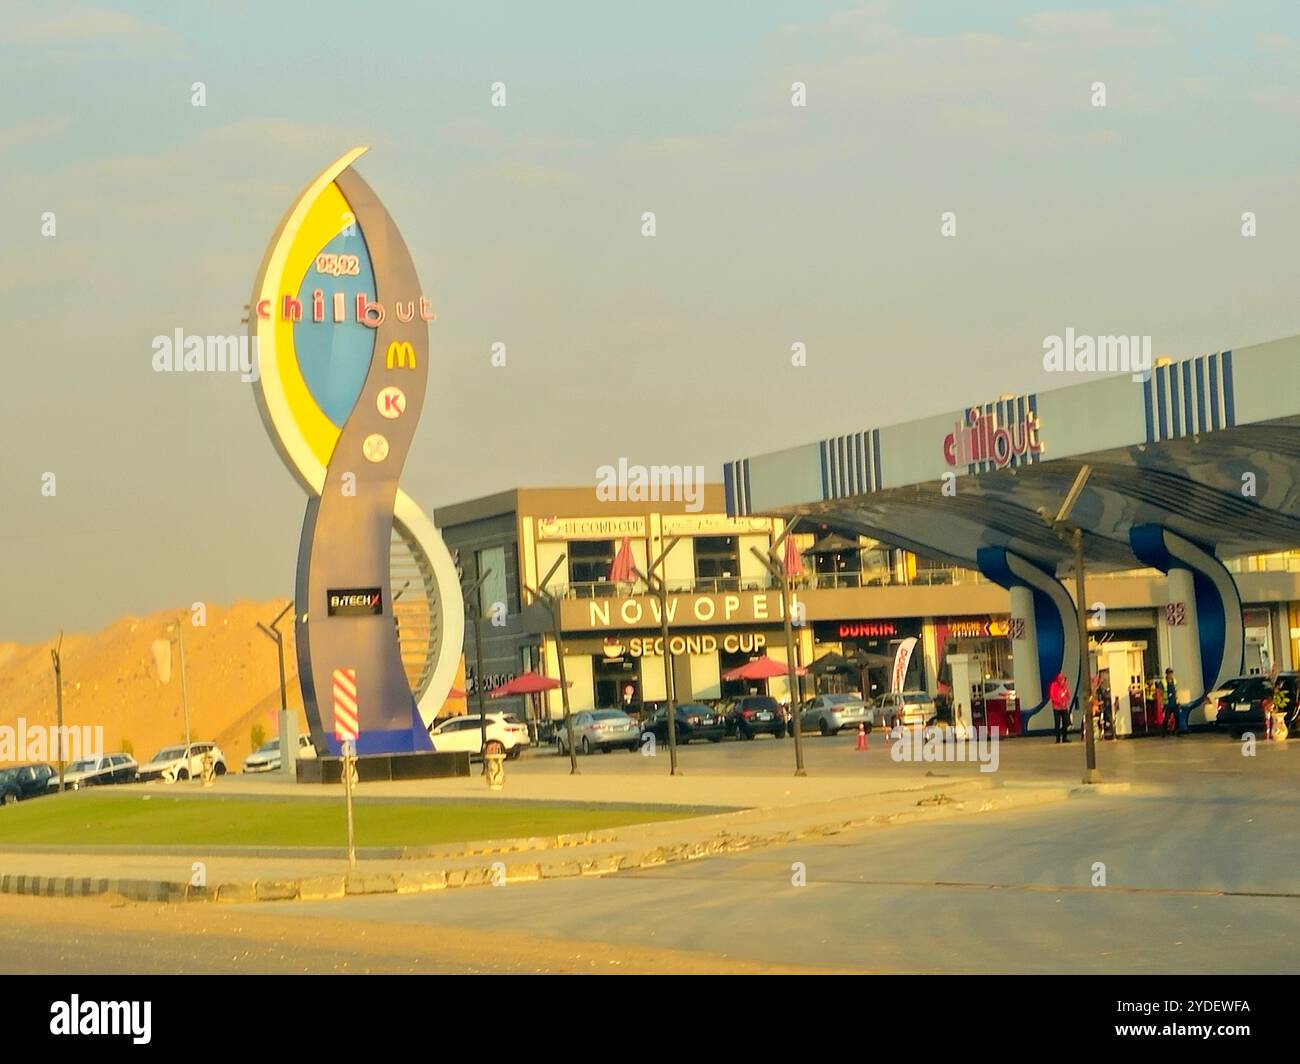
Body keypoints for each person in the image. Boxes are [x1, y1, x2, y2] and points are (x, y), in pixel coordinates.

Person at [1049, 672, 1071, 744]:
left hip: (1064, 708)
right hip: (1057, 708)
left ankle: (1065, 738)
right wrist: (1059, 702)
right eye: (1061, 679)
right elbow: (1052, 696)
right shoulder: (1054, 686)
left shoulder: (1065, 686)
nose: (1062, 681)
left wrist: (1065, 701)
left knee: (1065, 722)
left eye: (1064, 680)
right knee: (1057, 722)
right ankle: (1058, 739)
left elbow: (1068, 696)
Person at [1162, 668, 1179, 736]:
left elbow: (1176, 691)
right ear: (1167, 674)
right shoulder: (1163, 682)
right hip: (1168, 703)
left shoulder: (1174, 681)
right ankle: (1164, 731)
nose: (1170, 675)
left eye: (1171, 673)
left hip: (1174, 702)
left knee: (1177, 717)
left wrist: (1177, 701)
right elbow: (1160, 692)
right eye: (1169, 673)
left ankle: (1176, 731)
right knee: (1167, 718)